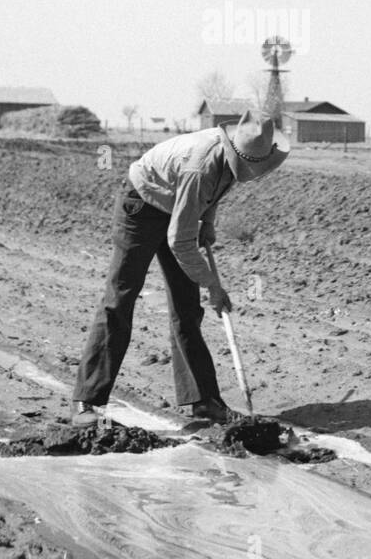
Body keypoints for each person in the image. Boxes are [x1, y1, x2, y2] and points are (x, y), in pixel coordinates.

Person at [71, 109, 289, 424]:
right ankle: (86, 401)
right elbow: (180, 241)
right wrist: (213, 284)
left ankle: (204, 401)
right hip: (141, 206)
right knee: (121, 297)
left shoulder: (232, 158)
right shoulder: (200, 164)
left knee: (187, 308)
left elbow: (211, 194)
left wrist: (208, 223)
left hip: (176, 205)